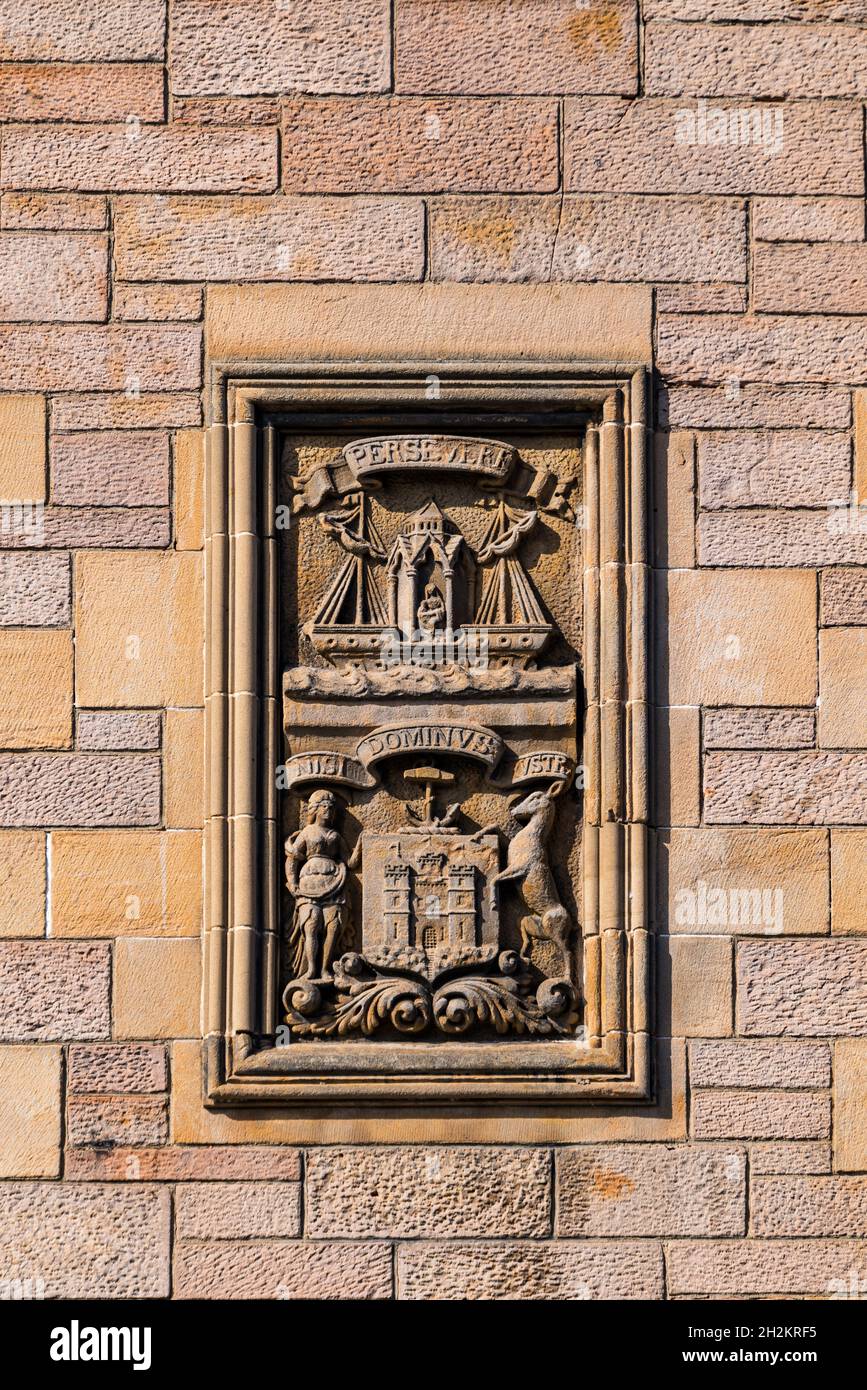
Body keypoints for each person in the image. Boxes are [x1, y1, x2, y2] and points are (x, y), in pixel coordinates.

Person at [285, 788, 352, 980]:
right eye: (324, 807)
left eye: (331, 807)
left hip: (334, 883)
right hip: (309, 884)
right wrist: (292, 882)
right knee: (311, 925)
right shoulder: (307, 833)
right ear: (315, 809)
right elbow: (292, 859)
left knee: (333, 926)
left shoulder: (335, 836)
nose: (328, 811)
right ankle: (311, 969)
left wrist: (364, 843)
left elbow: (350, 862)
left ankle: (325, 969)